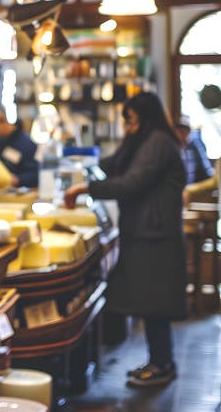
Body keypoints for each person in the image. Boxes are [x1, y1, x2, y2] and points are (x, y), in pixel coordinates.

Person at [64, 92, 186, 387]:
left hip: (155, 236)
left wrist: (86, 188)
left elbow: (133, 183)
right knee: (151, 303)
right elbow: (119, 163)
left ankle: (162, 365)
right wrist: (83, 159)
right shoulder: (148, 140)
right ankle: (159, 361)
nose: (127, 126)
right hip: (149, 233)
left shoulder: (156, 142)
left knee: (154, 303)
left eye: (130, 120)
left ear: (143, 117)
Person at [0, 103, 39, 187]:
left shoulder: (27, 144)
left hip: (18, 197)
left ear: (1, 119)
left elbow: (36, 175)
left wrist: (17, 180)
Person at [174, 114, 214, 185]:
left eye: (185, 130)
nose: (182, 133)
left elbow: (206, 171)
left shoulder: (194, 144)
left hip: (190, 188)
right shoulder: (170, 147)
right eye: (179, 130)